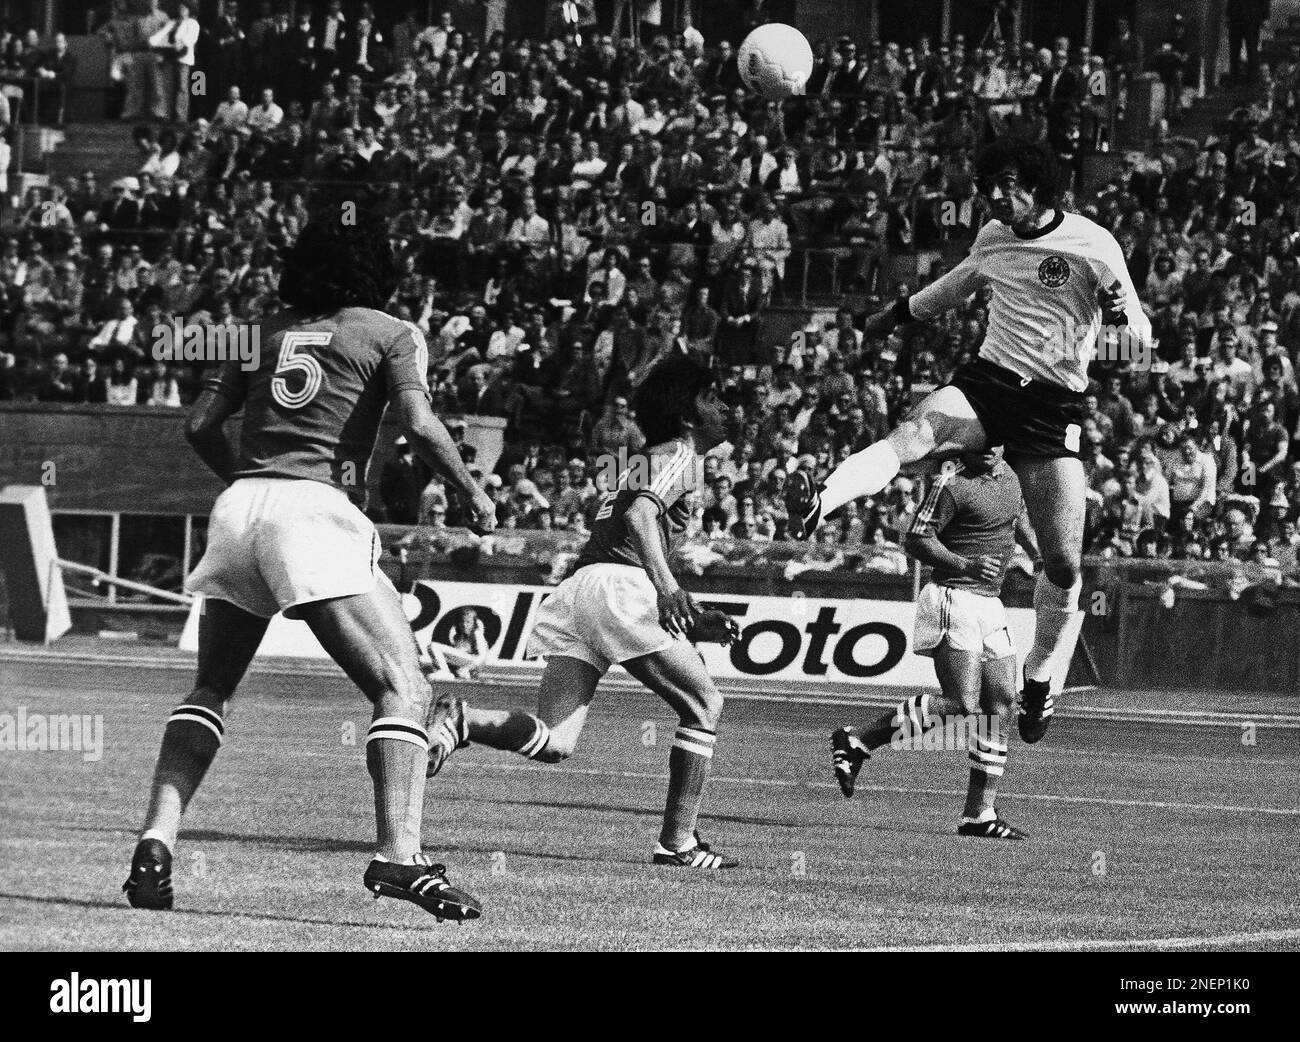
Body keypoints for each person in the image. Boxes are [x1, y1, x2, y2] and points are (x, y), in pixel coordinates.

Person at [123, 216, 497, 922]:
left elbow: (199, 426)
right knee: (402, 688)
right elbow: (418, 424)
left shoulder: (254, 330)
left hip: (238, 507)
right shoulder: (391, 331)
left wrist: (249, 481)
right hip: (313, 510)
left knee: (212, 686)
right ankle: (398, 857)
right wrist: (474, 491)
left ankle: (155, 840)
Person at [786, 137, 1151, 745]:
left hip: (1050, 402)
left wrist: (1120, 316)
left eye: (1008, 182)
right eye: (991, 184)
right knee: (917, 430)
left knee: (1062, 562)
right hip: (989, 382)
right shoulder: (992, 236)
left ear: (1041, 184)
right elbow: (955, 286)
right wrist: (893, 316)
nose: (997, 194)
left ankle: (1040, 678)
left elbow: (1139, 343)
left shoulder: (1094, 243)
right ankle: (819, 499)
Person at [432, 354, 743, 869]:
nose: (727, 407)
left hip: (582, 588)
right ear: (689, 414)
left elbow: (628, 521)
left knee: (556, 742)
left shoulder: (649, 455)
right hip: (619, 587)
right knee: (704, 704)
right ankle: (678, 843)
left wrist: (689, 609)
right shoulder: (681, 455)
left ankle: (465, 720)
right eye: (714, 397)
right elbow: (642, 516)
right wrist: (666, 589)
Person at [832, 449, 1036, 838]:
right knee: (962, 702)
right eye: (984, 441)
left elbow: (1017, 516)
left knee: (1002, 703)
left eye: (998, 441)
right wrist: (965, 564)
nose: (992, 449)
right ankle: (860, 738)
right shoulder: (951, 484)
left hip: (990, 602)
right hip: (952, 595)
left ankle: (980, 815)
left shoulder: (1011, 475)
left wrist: (1037, 551)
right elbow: (916, 540)